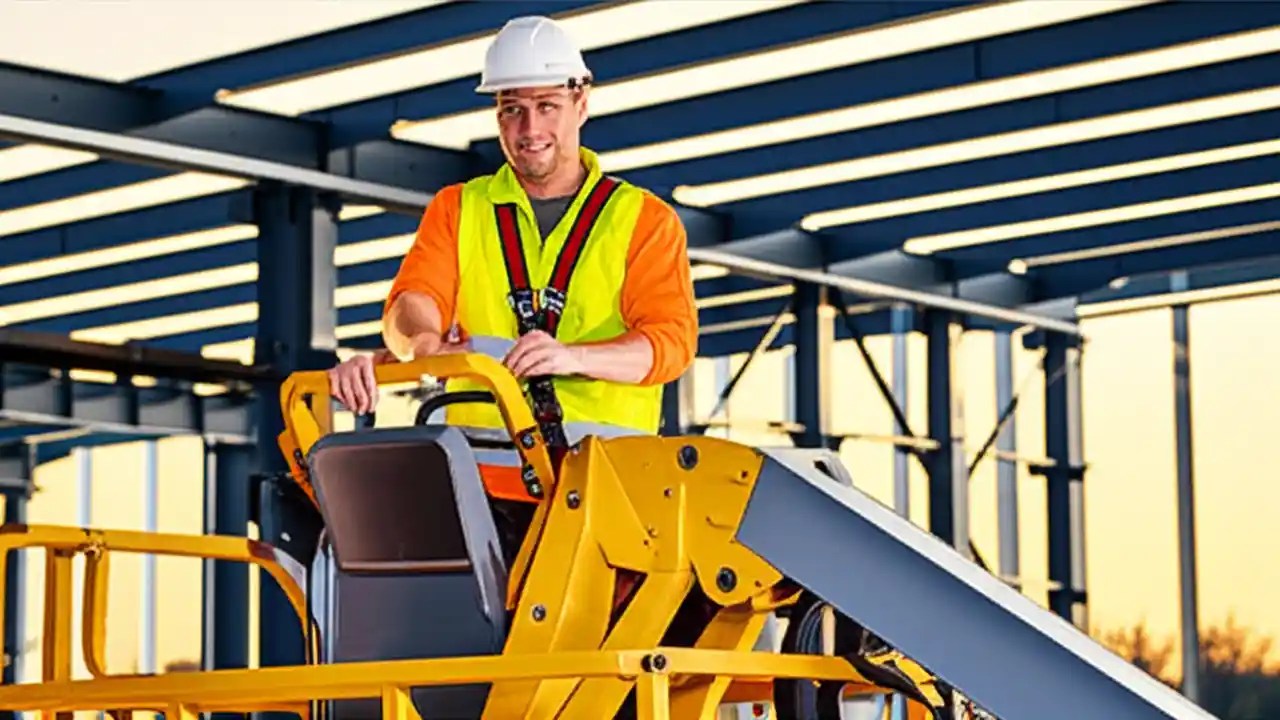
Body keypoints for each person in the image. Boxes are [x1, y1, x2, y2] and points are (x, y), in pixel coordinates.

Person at [327, 15, 698, 477]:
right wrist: (422, 344)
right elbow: (411, 302)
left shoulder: (644, 220)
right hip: (479, 478)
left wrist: (573, 357)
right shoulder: (459, 209)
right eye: (512, 109)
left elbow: (669, 343)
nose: (529, 129)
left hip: (606, 482)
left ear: (581, 103)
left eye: (547, 106)